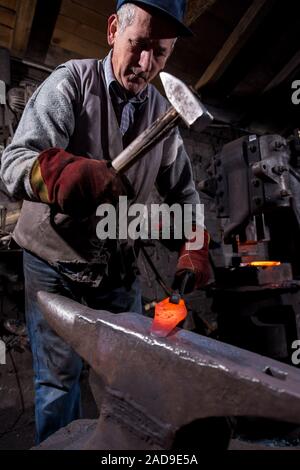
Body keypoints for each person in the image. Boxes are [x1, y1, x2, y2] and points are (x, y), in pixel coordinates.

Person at [0, 0, 210, 444]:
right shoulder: (70, 83)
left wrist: (194, 241)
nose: (147, 63)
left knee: (131, 378)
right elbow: (13, 163)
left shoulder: (163, 116)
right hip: (52, 264)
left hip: (115, 268)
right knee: (59, 386)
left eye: (161, 53)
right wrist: (60, 173)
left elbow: (184, 194)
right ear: (114, 29)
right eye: (139, 45)